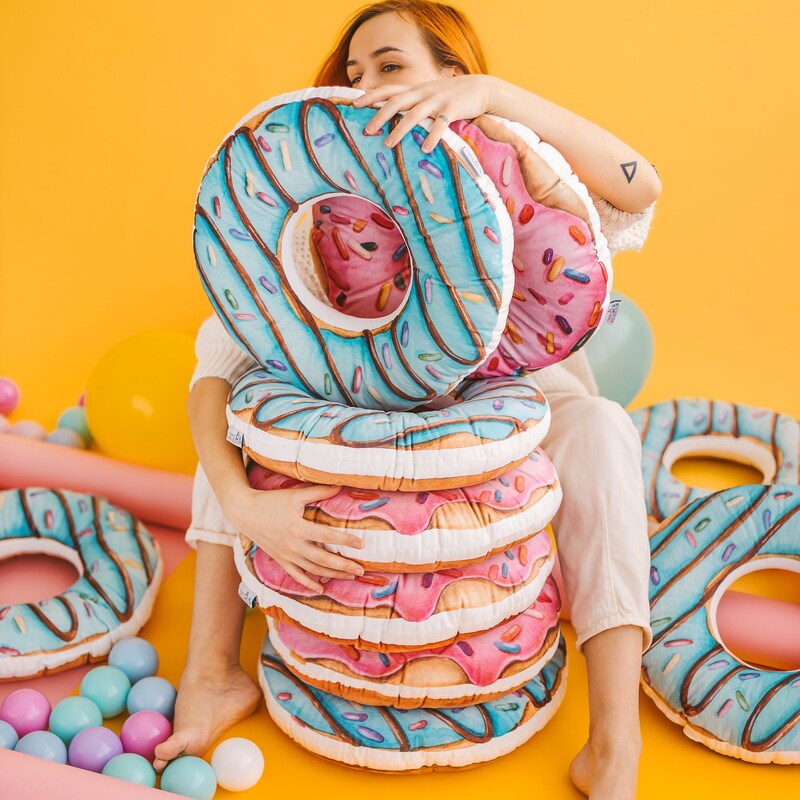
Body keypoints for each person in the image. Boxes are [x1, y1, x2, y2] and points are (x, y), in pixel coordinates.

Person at [153, 3, 661, 797]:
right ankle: (213, 671)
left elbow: (641, 184)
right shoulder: (328, 210)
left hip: (511, 395)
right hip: (360, 395)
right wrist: (238, 501)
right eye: (354, 75)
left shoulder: (509, 166)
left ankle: (613, 746)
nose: (367, 87)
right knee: (247, 411)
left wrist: (500, 98)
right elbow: (214, 370)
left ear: (450, 73)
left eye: (390, 65)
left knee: (601, 427)